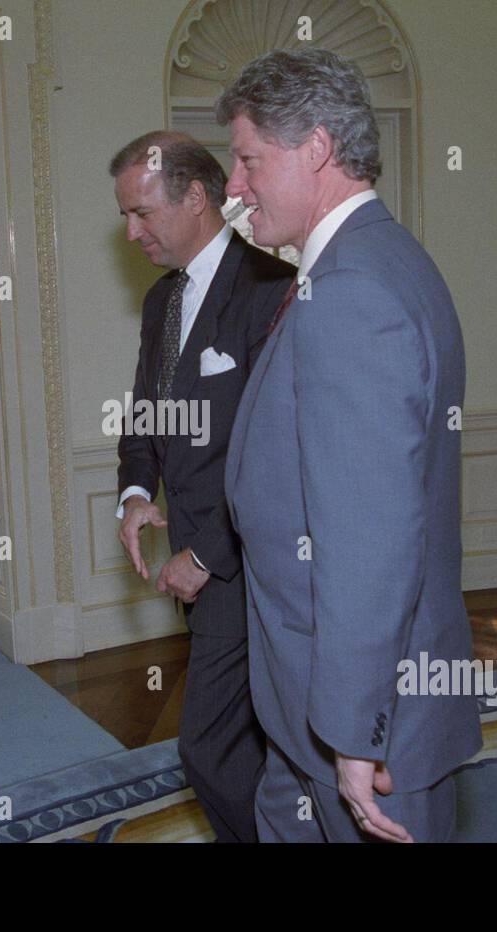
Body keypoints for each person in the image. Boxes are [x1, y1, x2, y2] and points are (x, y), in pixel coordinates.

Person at [217, 49, 483, 843]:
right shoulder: (371, 258)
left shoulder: (354, 288)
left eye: (248, 160)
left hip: (364, 716)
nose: (234, 186)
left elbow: (370, 539)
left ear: (316, 148)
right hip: (309, 691)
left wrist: (353, 732)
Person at [110, 131, 294, 842]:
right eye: (125, 216)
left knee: (209, 749)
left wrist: (208, 554)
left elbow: (278, 452)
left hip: (254, 566)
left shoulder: (272, 290)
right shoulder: (163, 301)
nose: (132, 233)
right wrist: (135, 493)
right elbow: (147, 414)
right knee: (252, 744)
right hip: (198, 558)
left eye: (142, 213)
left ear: (194, 197)